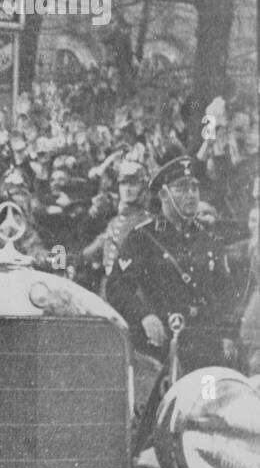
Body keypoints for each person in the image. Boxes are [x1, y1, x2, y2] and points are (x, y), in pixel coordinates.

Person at [106, 156, 248, 373]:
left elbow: (225, 290)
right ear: (164, 195)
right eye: (182, 188)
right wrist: (144, 315)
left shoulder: (207, 236)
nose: (191, 195)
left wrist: (228, 332)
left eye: (194, 188)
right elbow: (117, 287)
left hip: (207, 345)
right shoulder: (143, 237)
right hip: (164, 345)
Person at [81, 160, 150, 296]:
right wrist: (56, 260)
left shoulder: (148, 221)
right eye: (123, 183)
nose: (127, 189)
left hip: (133, 292)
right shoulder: (114, 222)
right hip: (107, 289)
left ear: (142, 188)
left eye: (133, 184)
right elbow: (90, 252)